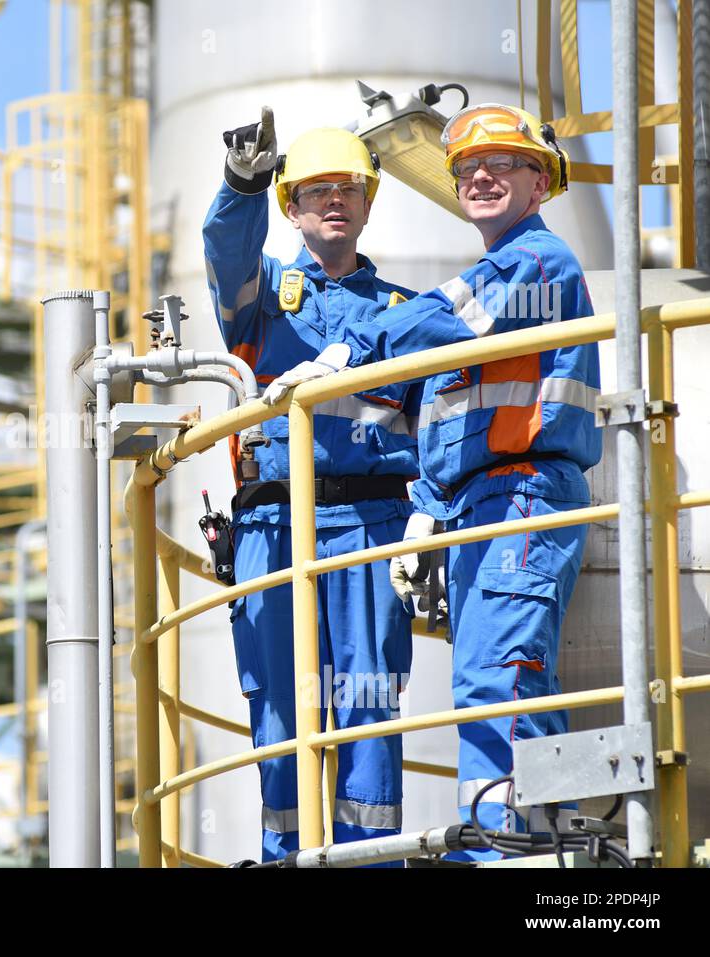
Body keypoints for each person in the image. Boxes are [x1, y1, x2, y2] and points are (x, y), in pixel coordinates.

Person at [266, 104, 599, 859]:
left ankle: (506, 853)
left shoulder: (535, 264)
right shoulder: (497, 284)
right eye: (468, 169)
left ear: (541, 182)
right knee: (498, 680)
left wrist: (349, 350)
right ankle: (533, 846)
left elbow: (439, 319)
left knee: (498, 681)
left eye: (503, 164)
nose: (481, 177)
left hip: (522, 497)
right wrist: (426, 509)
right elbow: (448, 415)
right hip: (483, 504)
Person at [204, 107, 423, 863]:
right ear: (290, 208)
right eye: (316, 190)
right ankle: (284, 858)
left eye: (349, 188)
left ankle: (372, 857)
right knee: (279, 710)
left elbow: (437, 432)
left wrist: (429, 521)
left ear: (368, 204)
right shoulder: (261, 296)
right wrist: (242, 184)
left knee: (368, 704)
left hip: (373, 527)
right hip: (274, 526)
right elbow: (226, 251)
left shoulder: (403, 313)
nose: (335, 199)